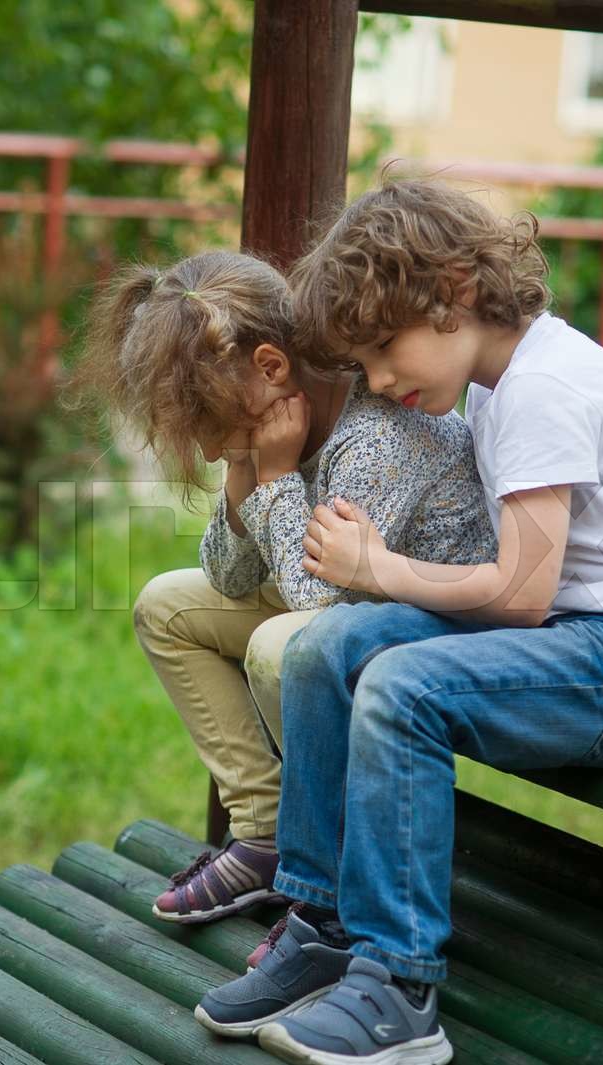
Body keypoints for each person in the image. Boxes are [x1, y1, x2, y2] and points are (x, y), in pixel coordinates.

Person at [194, 180, 603, 1065]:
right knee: (329, 648)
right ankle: (326, 919)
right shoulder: (496, 386)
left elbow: (522, 591)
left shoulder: (542, 390)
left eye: (383, 349)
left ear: (452, 291)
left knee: (404, 686)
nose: (375, 380)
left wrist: (377, 568)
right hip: (580, 637)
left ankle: (399, 986)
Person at [72, 249, 495, 933]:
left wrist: (272, 480)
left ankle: (324, 861)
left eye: (211, 428)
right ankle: (266, 832)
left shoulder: (377, 437)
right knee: (167, 605)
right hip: (350, 612)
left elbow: (318, 611)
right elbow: (230, 577)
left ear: (270, 368)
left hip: (437, 626)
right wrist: (246, 476)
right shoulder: (274, 427)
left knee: (279, 644)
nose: (209, 452)